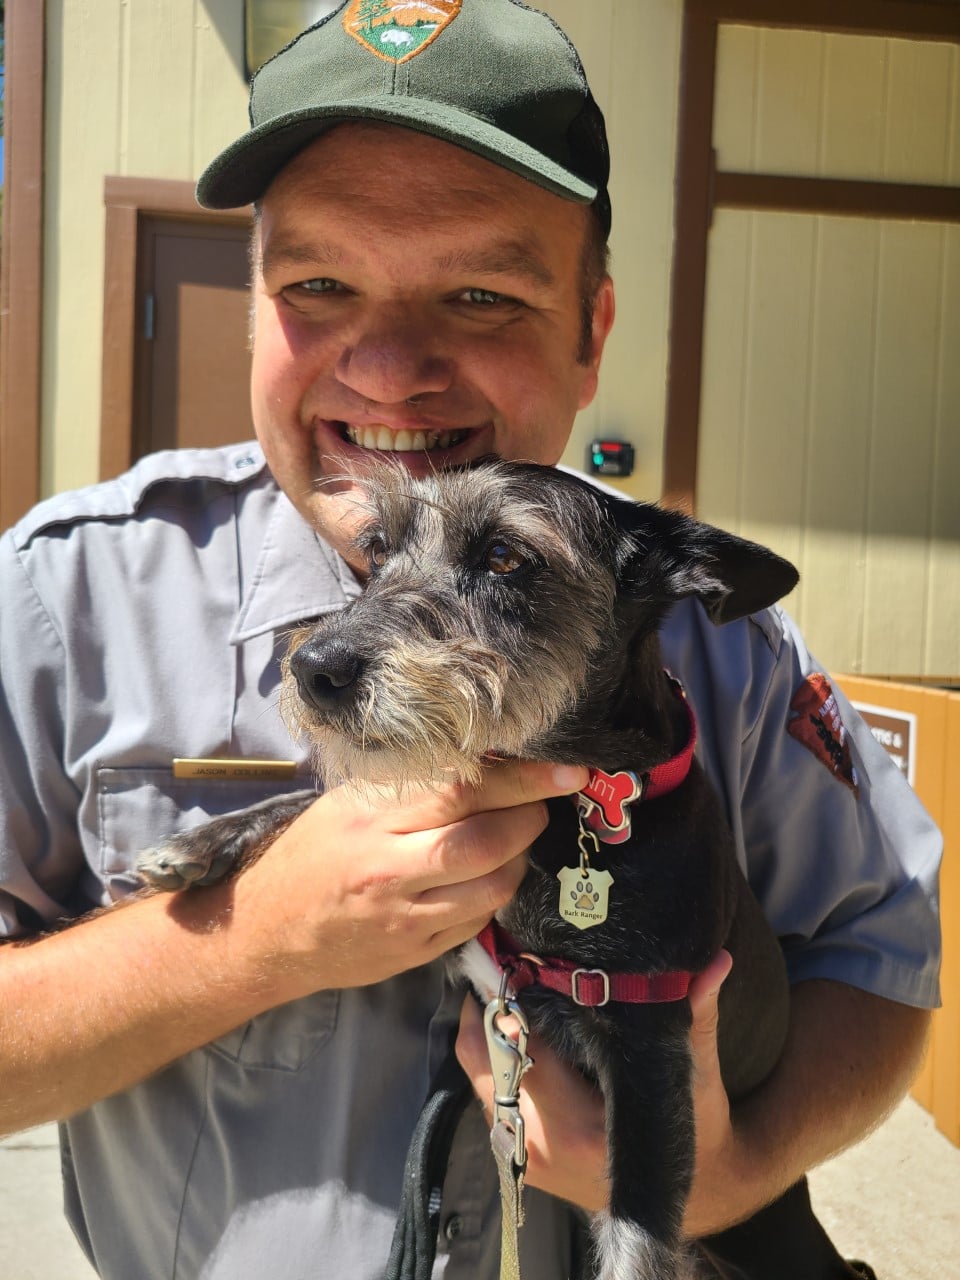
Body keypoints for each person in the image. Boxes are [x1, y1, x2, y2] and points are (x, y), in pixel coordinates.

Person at [0, 2, 940, 1278]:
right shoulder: (67, 598)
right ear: (253, 303)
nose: (387, 371)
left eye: (482, 292)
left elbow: (880, 961)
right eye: (318, 284)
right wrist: (252, 937)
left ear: (591, 329)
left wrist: (729, 1175)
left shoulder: (723, 643)